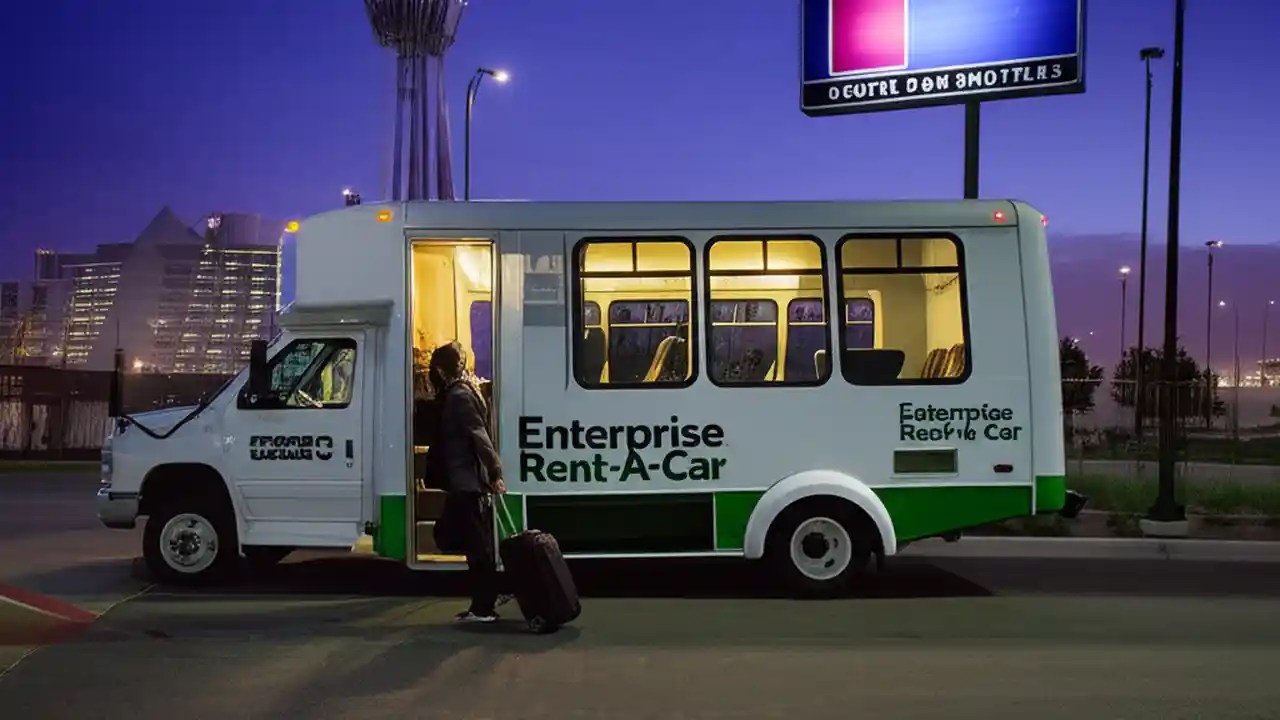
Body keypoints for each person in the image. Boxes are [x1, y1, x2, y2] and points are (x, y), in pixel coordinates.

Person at [427, 341, 507, 623]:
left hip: (466, 483)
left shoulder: (458, 396)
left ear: (440, 370)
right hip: (464, 482)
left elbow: (478, 435)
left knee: (475, 546)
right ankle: (486, 599)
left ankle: (484, 607)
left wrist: (495, 472)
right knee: (465, 540)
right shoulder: (465, 391)